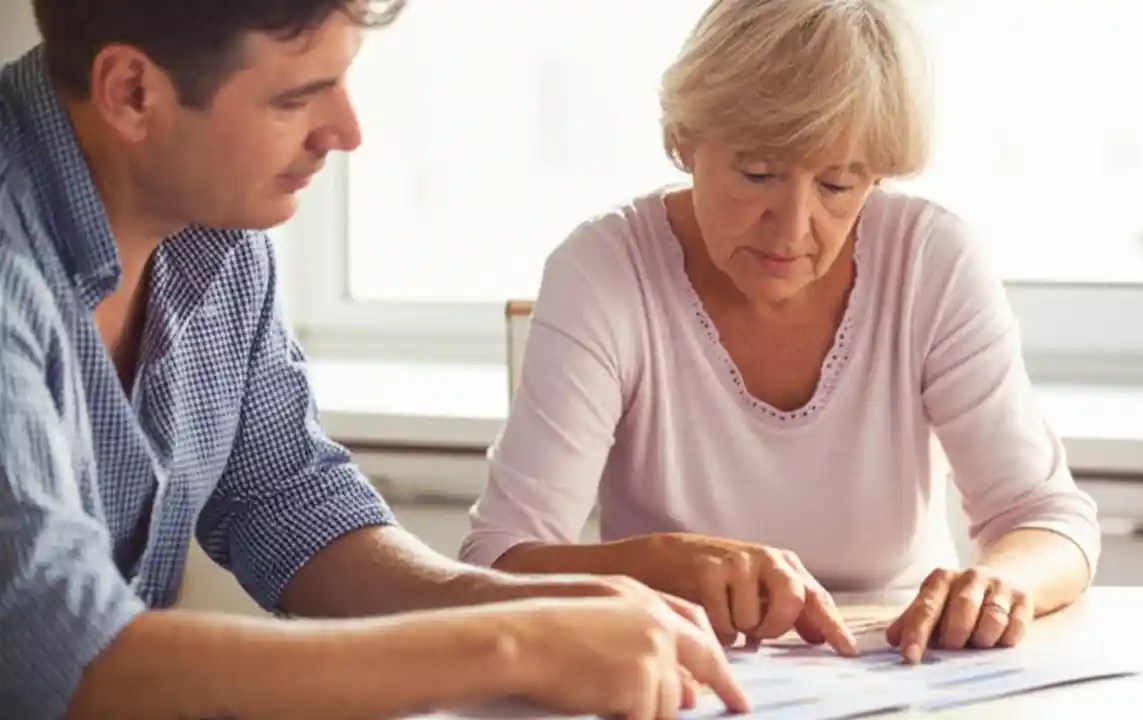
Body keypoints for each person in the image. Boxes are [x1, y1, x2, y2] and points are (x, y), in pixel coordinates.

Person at [0, 1, 750, 718]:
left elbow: (287, 499)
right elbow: (65, 657)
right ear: (133, 92)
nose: (348, 131)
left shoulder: (213, 219)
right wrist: (510, 644)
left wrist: (530, 604)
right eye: (298, 98)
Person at [462, 0, 1102, 665]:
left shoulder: (929, 260)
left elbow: (1048, 520)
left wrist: (1000, 585)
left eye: (836, 185)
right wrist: (657, 563)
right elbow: (499, 560)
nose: (793, 227)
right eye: (758, 173)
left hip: (905, 676)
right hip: (681, 678)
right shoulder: (603, 272)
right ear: (685, 140)